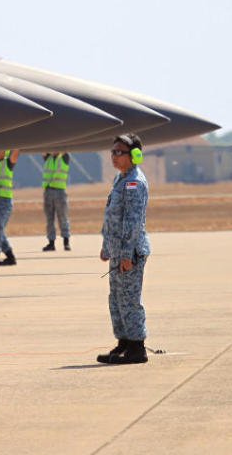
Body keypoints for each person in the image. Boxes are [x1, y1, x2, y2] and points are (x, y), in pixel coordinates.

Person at [97, 134, 151, 365]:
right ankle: (124, 343)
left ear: (134, 155)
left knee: (129, 299)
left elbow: (132, 222)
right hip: (118, 251)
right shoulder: (120, 180)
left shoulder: (134, 182)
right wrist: (106, 246)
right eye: (113, 152)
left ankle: (137, 348)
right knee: (116, 299)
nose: (114, 156)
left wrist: (127, 254)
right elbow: (111, 216)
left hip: (130, 252)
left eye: (120, 152)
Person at [41, 152, 71, 251]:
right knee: (49, 219)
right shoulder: (47, 158)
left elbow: (65, 148)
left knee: (62, 217)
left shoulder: (64, 157)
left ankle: (66, 242)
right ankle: (51, 243)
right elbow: (44, 149)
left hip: (59, 191)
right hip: (48, 191)